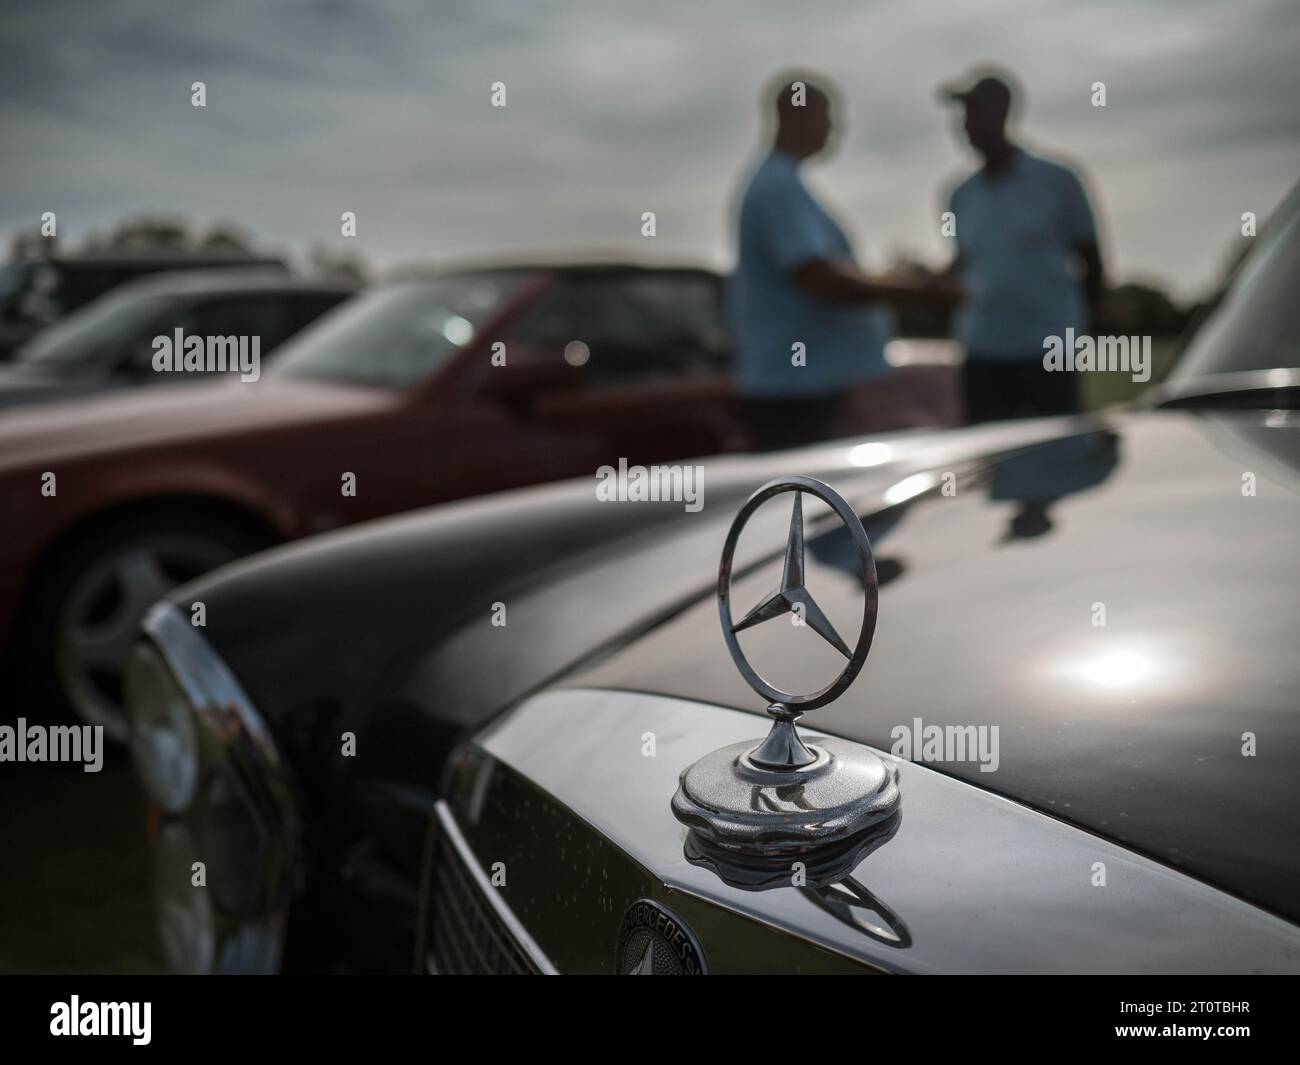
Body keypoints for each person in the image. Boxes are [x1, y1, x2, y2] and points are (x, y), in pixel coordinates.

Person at [730, 74, 958, 451]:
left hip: (798, 387)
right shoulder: (778, 187)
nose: (836, 127)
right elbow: (820, 280)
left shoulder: (780, 184)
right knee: (802, 500)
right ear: (798, 115)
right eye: (828, 116)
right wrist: (916, 290)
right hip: (794, 393)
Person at [939, 69, 1105, 424]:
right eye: (963, 115)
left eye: (974, 112)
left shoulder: (1058, 180)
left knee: (1058, 453)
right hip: (983, 350)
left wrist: (1086, 330)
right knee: (986, 460)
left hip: (1048, 348)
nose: (965, 125)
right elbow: (967, 263)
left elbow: (1093, 261)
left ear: (1003, 111)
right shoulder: (959, 195)